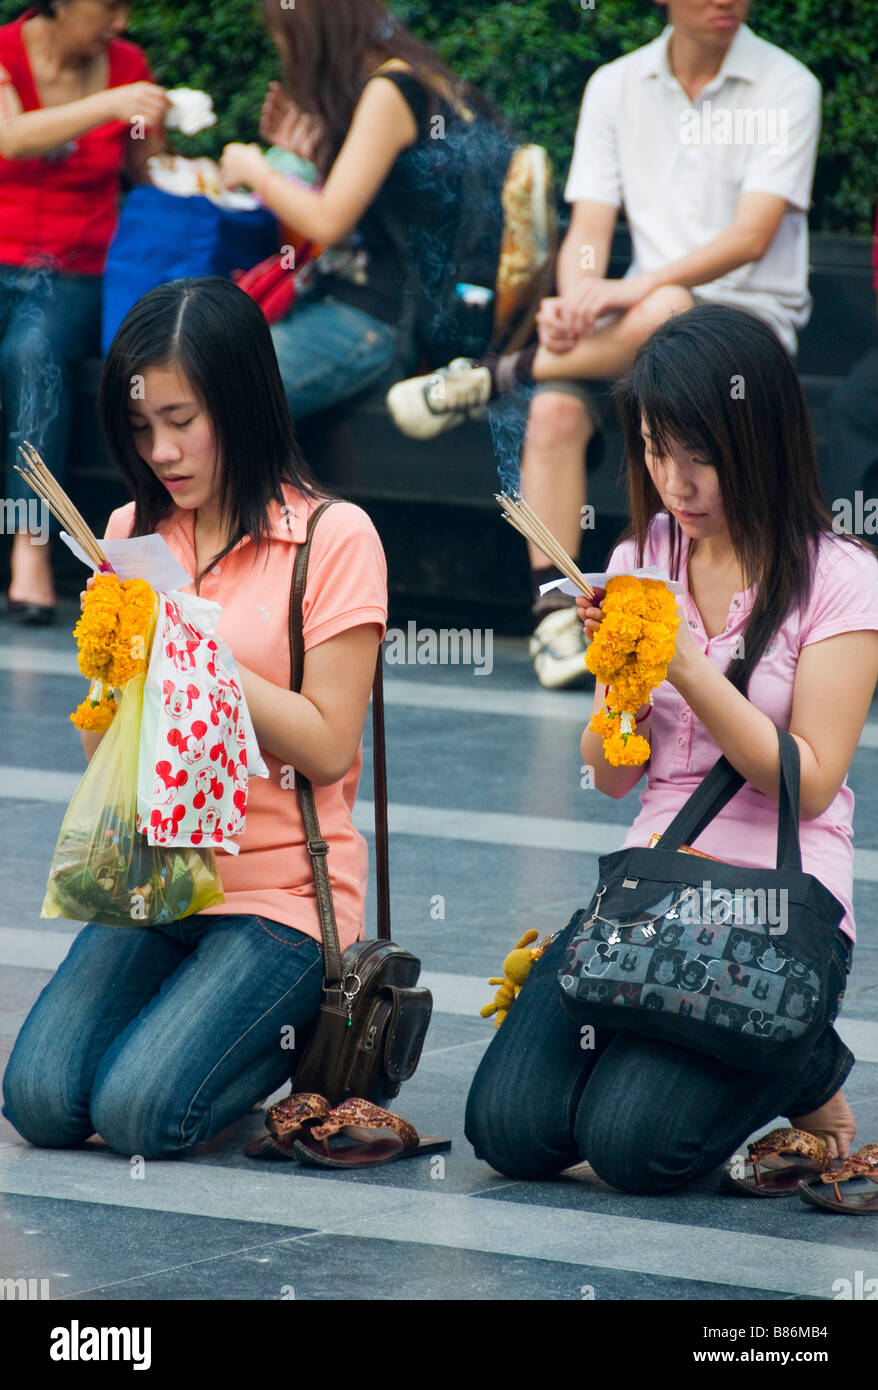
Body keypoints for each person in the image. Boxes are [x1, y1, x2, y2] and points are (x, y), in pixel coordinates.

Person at [465, 304, 878, 1194]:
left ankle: (807, 1067)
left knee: (633, 1147)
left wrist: (688, 668)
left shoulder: (841, 576)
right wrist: (614, 678)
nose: (676, 482)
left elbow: (811, 781)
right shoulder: (644, 554)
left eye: (701, 455)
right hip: (652, 882)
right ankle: (763, 1057)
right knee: (510, 1129)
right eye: (657, 451)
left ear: (760, 439)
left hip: (778, 898)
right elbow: (615, 777)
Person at [1, 277, 388, 1160]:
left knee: (139, 1113)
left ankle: (248, 1042)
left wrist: (195, 650)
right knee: (42, 1102)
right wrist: (110, 664)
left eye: (182, 420)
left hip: (282, 897)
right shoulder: (132, 527)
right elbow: (106, 748)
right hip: (159, 875)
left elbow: (329, 747)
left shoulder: (334, 537)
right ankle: (198, 1019)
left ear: (243, 401)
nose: (161, 449)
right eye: (142, 428)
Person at [387, 0, 821, 692]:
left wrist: (632, 290)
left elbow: (751, 238)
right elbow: (588, 230)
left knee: (671, 309)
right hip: (633, 330)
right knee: (554, 412)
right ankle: (556, 609)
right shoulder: (616, 85)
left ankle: (492, 372)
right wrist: (573, 301)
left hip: (745, 333)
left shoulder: (788, 83)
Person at [217, 0, 530, 423]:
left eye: (286, 42)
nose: (288, 58)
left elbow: (329, 220)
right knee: (209, 372)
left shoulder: (390, 91)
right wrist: (313, 156)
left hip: (377, 321)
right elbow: (408, 205)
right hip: (393, 315)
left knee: (217, 392)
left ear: (313, 35)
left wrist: (255, 170)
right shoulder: (420, 78)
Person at [0, 0, 168, 624]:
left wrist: (163, 145)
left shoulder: (127, 64)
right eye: (109, 6)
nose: (121, 22)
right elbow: (10, 137)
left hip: (72, 267)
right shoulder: (5, 52)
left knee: (31, 353)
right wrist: (114, 103)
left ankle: (31, 546)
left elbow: (147, 173)